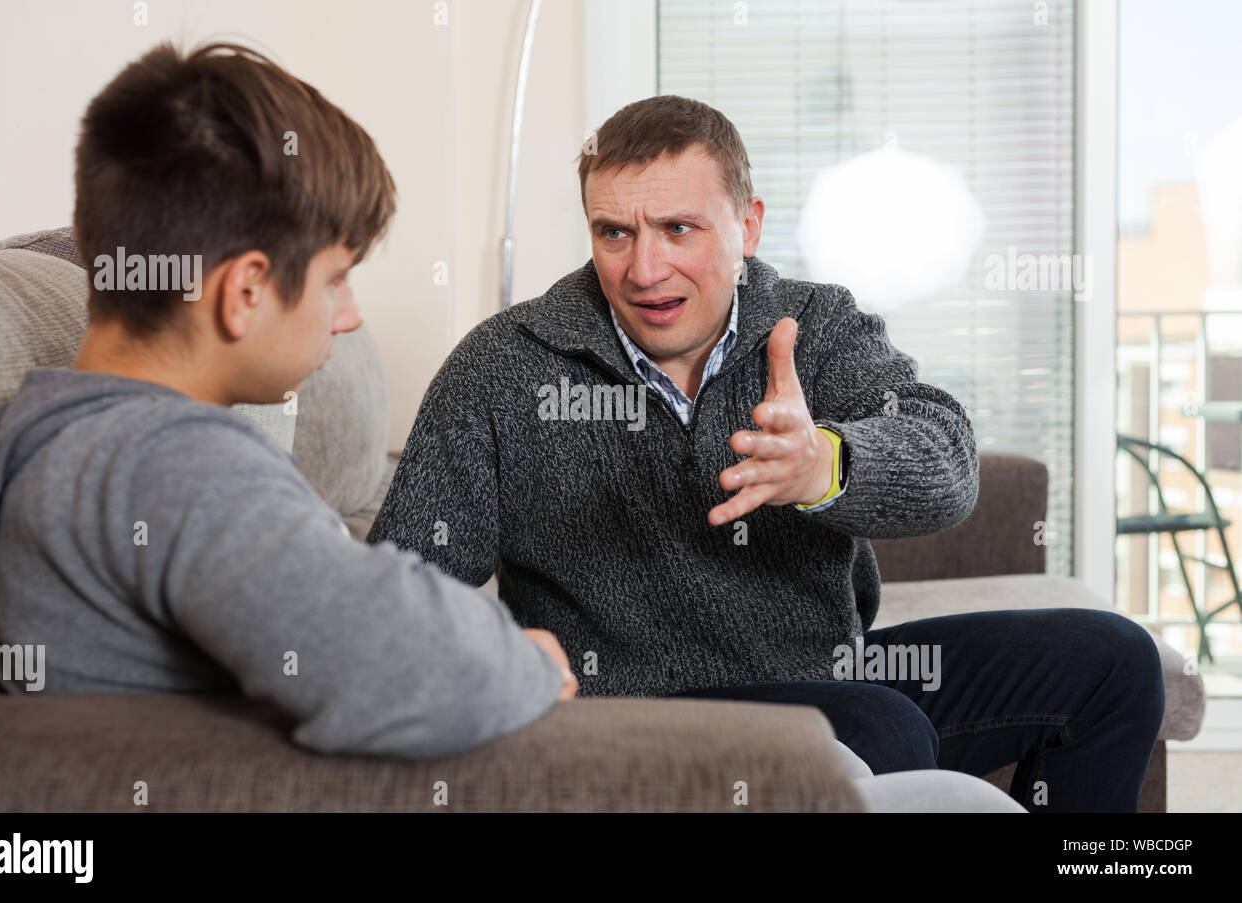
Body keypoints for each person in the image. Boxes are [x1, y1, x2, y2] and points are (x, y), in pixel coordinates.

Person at [368, 94, 1165, 811]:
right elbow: (398, 586)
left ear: (747, 225)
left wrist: (827, 466)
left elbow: (948, 460)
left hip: (831, 677)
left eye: (679, 228)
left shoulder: (814, 325)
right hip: (634, 715)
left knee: (1112, 660)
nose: (645, 269)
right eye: (615, 232)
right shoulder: (503, 365)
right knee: (875, 732)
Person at [0, 40, 576, 761]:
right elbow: (398, 663)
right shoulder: (171, 465)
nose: (351, 315)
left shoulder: (47, 439)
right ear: (244, 293)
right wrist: (524, 656)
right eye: (337, 278)